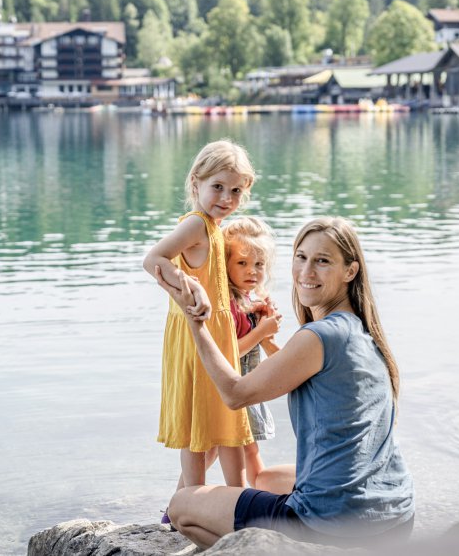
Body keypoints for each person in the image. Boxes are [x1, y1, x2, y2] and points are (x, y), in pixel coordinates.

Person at [154, 217, 414, 548]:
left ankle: (271, 548)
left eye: (322, 261)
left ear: (350, 271)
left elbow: (234, 393)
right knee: (265, 479)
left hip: (329, 525)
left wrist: (195, 320)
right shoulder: (361, 330)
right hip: (396, 516)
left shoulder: (319, 337)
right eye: (301, 257)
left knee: (182, 506)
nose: (306, 272)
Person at [142, 139, 257, 519]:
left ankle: (234, 501)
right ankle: (190, 508)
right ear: (196, 182)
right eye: (218, 187)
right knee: (200, 428)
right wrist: (189, 286)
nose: (226, 198)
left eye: (236, 191)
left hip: (215, 337)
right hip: (196, 341)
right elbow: (153, 259)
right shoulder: (195, 224)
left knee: (225, 424)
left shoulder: (215, 228)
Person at [223, 216, 282, 487]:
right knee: (212, 450)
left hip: (247, 385)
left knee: (250, 447)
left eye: (259, 264)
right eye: (242, 263)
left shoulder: (249, 299)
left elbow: (268, 348)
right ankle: (181, 499)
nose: (252, 271)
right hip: (230, 387)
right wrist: (260, 331)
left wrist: (264, 323)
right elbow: (228, 353)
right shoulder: (227, 305)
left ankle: (258, 490)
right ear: (225, 264)